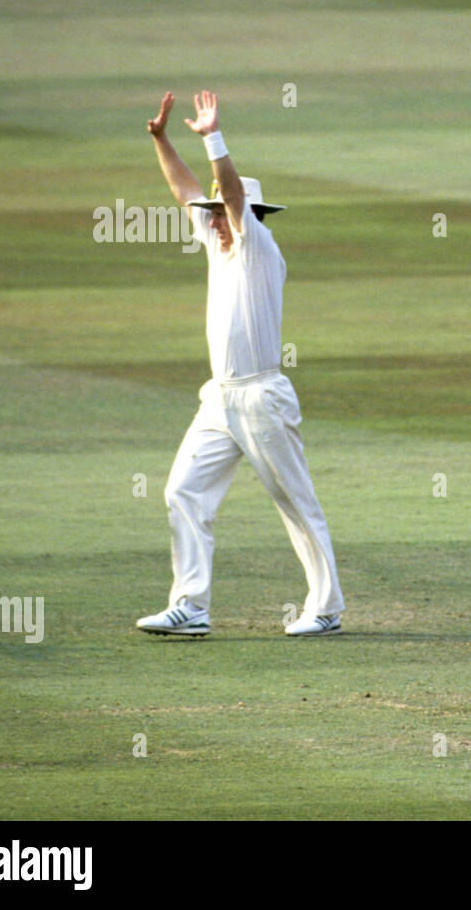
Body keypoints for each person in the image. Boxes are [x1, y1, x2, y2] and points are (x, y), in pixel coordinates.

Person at [136, 90, 345, 638]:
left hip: (262, 397)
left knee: (294, 502)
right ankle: (191, 606)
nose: (215, 222)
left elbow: (228, 193)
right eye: (213, 217)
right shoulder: (216, 241)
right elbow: (187, 190)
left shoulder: (259, 246)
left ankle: (326, 608)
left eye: (223, 214)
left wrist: (213, 138)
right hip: (220, 398)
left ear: (248, 215)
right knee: (183, 490)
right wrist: (163, 140)